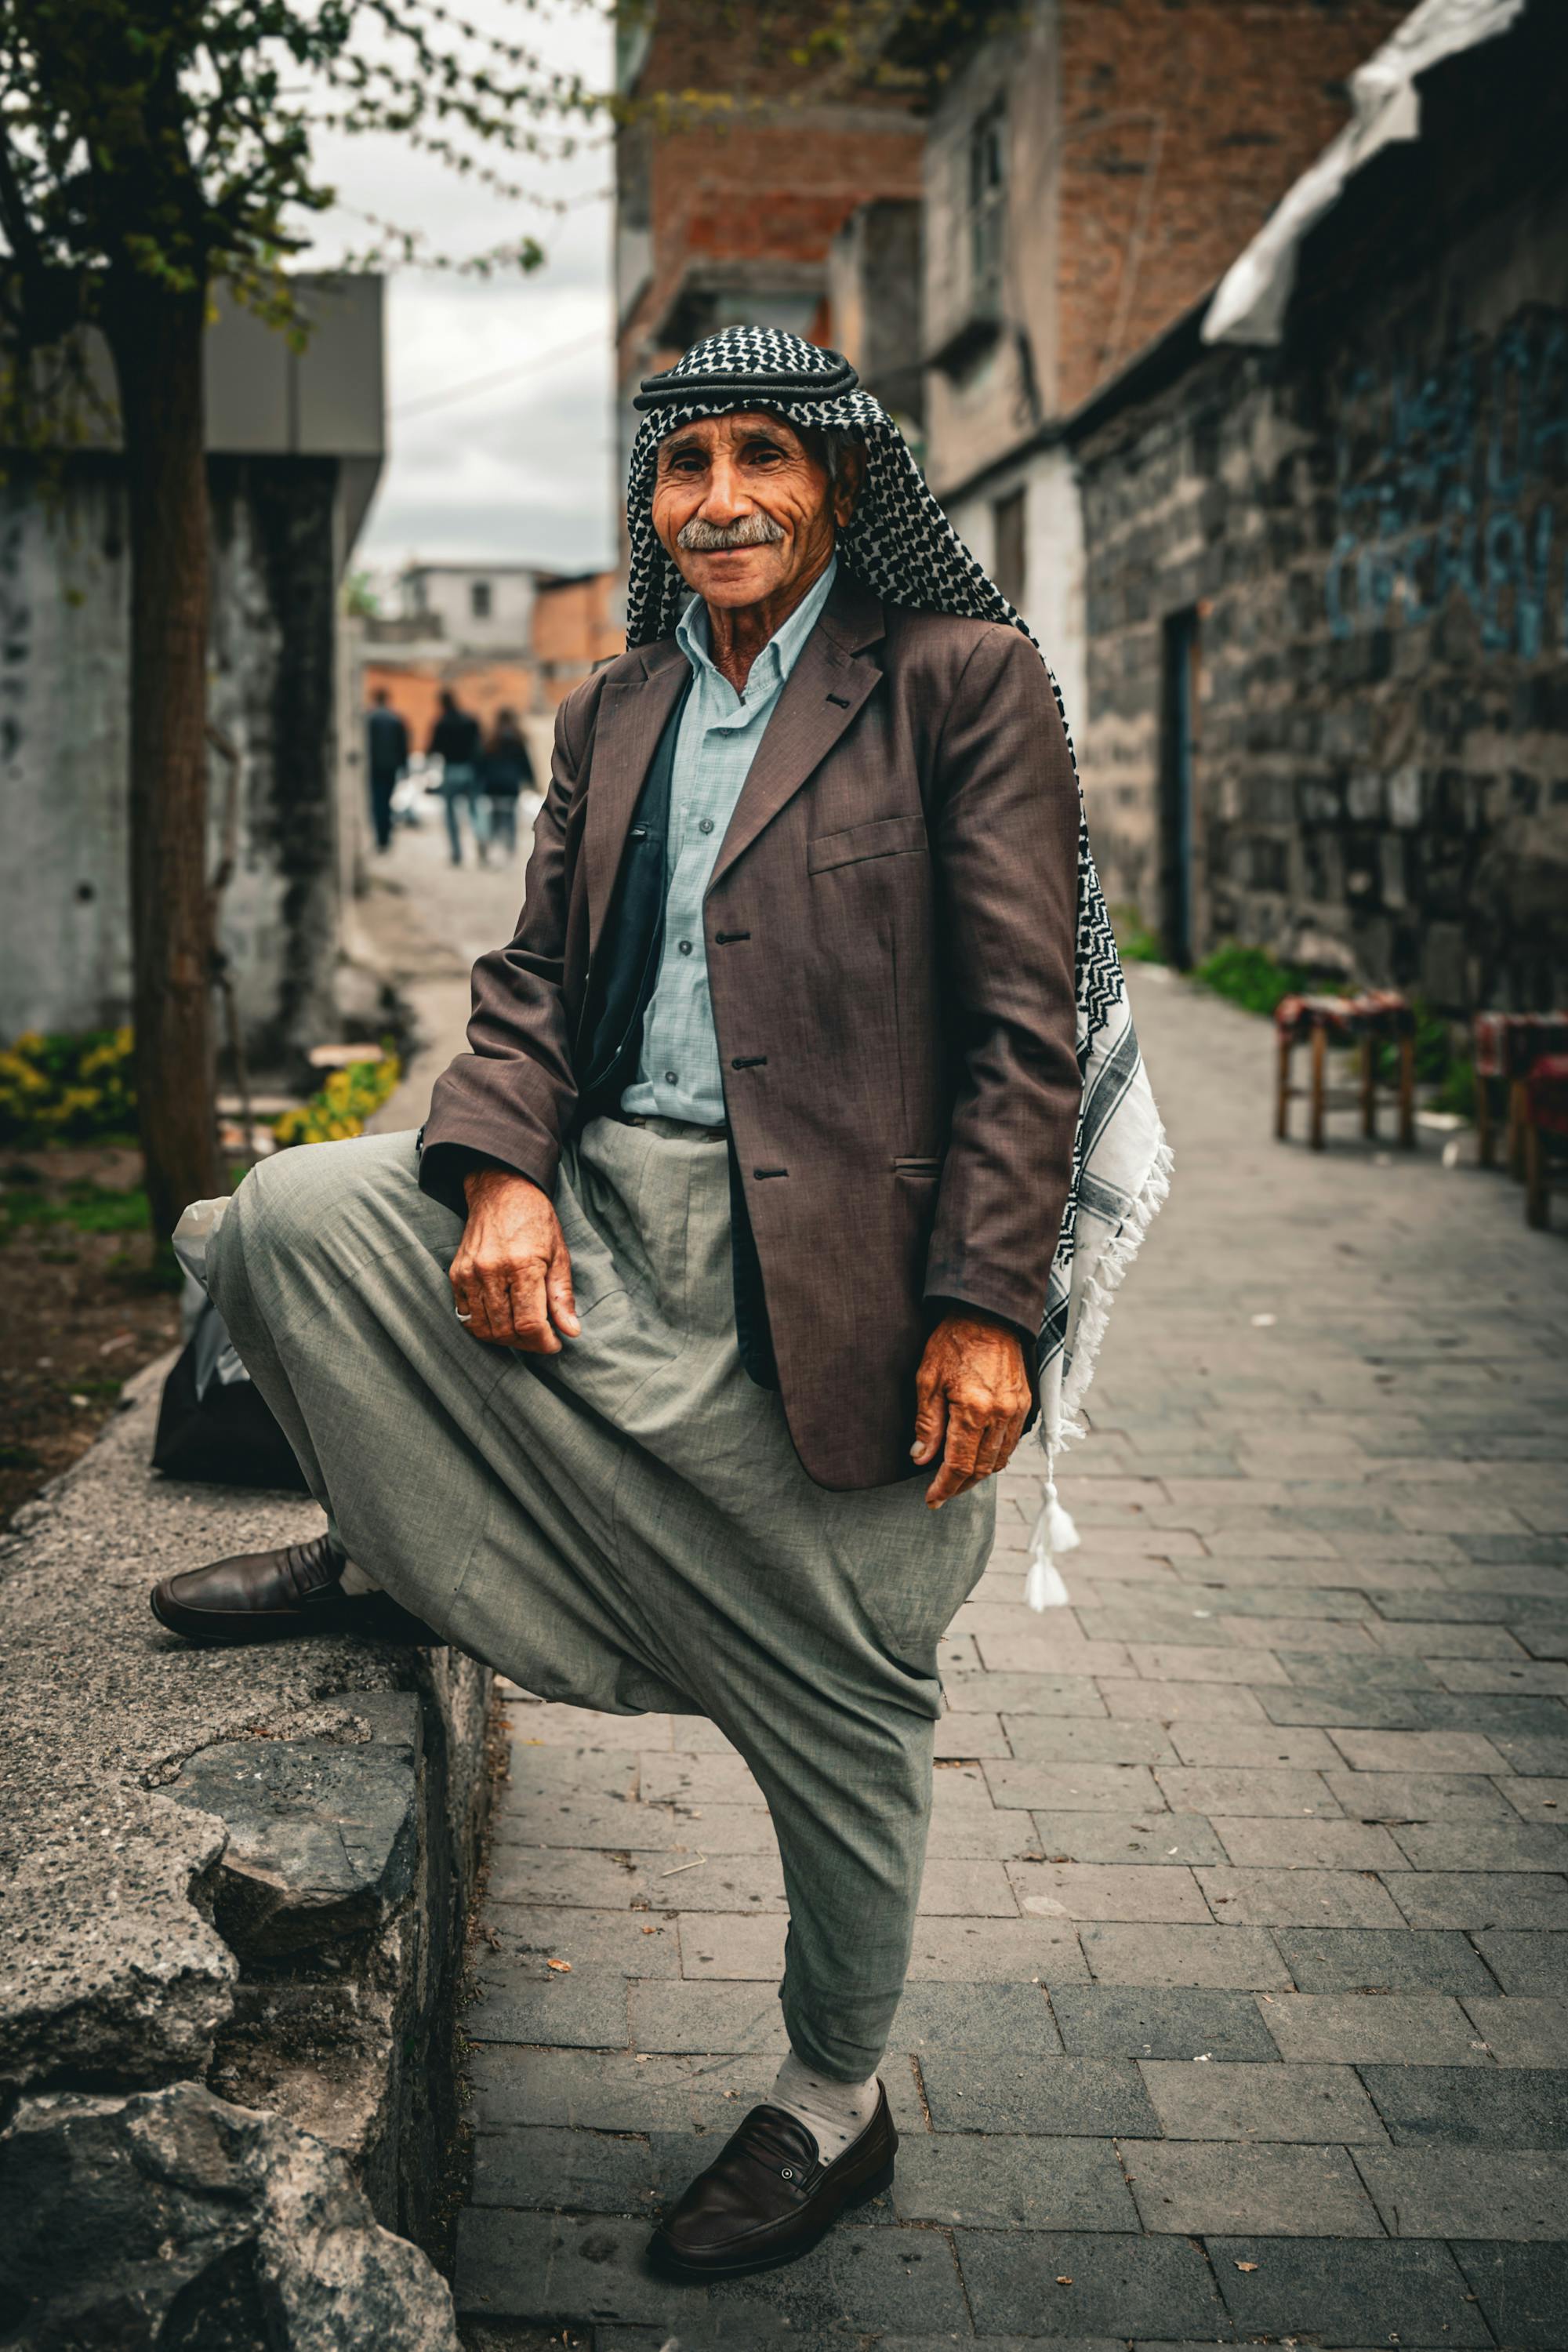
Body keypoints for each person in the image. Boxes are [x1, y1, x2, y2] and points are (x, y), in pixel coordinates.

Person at [149, 328, 1168, 2282]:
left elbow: (1026, 1029)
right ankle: (391, 1536)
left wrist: (986, 1308)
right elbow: (531, 976)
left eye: (758, 457)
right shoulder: (613, 705)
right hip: (606, 1194)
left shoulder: (959, 680)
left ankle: (828, 2099)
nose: (715, 496)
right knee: (283, 1219)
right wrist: (507, 1168)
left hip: (836, 1273)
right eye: (681, 463)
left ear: (840, 483)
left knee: (850, 1673)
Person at [429, 688, 487, 866]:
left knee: (450, 814)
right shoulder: (470, 719)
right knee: (475, 810)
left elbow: (433, 748)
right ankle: (481, 838)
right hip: (470, 769)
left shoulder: (441, 723)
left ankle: (456, 853)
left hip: (451, 769)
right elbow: (480, 743)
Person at [482, 706, 535, 857]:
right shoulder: (518, 738)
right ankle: (510, 848)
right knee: (510, 817)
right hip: (511, 784)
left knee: (494, 816)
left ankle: (492, 847)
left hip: (493, 784)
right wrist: (530, 780)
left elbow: (483, 762)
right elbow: (525, 762)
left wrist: (481, 780)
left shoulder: (491, 738)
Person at [365, 687, 409, 854]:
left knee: (378, 802)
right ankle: (386, 836)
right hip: (390, 766)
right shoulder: (395, 719)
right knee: (386, 801)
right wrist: (404, 767)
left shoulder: (370, 718)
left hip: (375, 766)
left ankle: (381, 838)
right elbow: (403, 746)